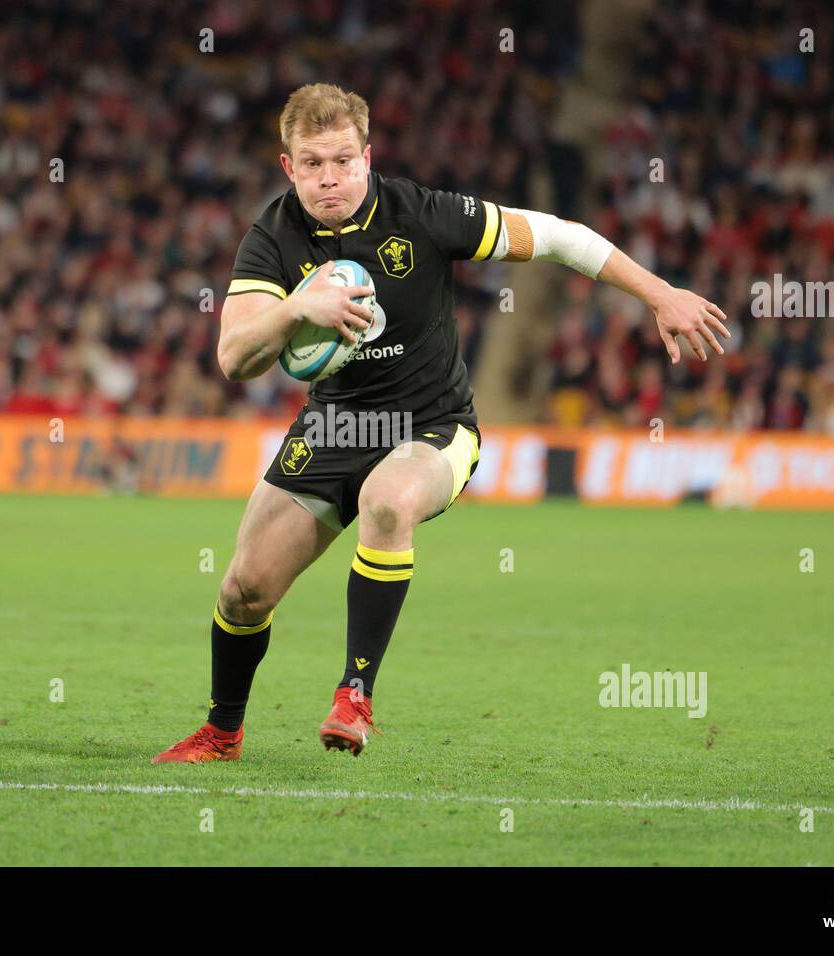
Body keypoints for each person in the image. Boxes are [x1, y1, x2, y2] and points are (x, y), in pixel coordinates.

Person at [152, 83, 729, 763]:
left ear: (368, 156)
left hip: (431, 426)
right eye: (312, 164)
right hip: (335, 429)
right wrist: (295, 308)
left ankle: (354, 695)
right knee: (243, 589)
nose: (329, 177)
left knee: (387, 501)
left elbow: (560, 238)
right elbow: (234, 358)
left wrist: (660, 295)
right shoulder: (273, 238)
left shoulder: (422, 214)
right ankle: (222, 733)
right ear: (288, 167)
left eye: (342, 159)